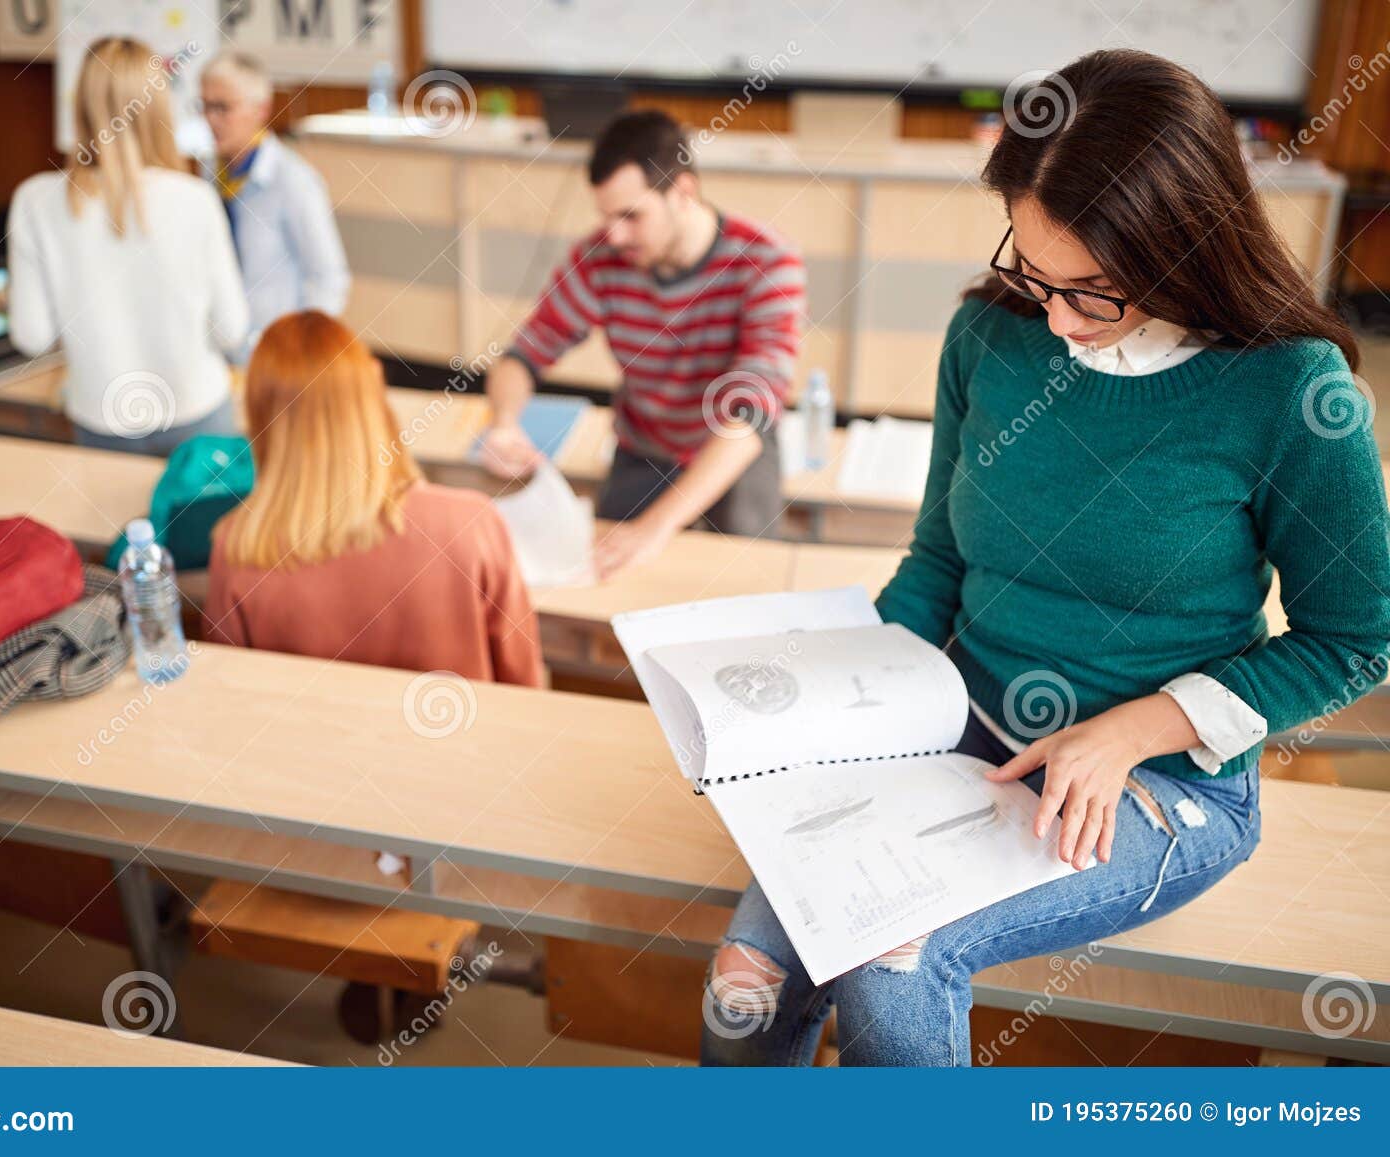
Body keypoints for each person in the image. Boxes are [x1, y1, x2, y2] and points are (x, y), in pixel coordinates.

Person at [700, 49, 1390, 1067]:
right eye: (1034, 270)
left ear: (1184, 247)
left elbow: (1356, 638)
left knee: (895, 963)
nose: (1057, 321)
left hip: (1166, 779)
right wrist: (834, 709)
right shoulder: (991, 330)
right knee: (743, 986)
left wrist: (1127, 731)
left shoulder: (1289, 388)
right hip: (951, 739)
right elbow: (937, 555)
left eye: (1094, 292)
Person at [479, 110, 805, 577]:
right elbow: (523, 355)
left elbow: (750, 414)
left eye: (632, 216)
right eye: (607, 217)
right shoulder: (601, 258)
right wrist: (505, 423)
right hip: (645, 443)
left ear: (683, 194)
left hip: (731, 448)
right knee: (603, 572)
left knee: (744, 583)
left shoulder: (768, 261)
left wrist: (657, 527)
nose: (615, 235)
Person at [205, 311, 544, 688]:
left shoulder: (237, 547)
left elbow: (230, 693)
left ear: (259, 420)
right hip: (460, 744)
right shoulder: (472, 522)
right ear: (374, 400)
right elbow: (524, 680)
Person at [8, 37, 248, 455]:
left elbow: (31, 337)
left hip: (101, 420)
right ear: (159, 108)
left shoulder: (35, 200)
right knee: (210, 523)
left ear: (79, 106)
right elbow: (231, 330)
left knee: (116, 523)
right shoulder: (194, 197)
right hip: (199, 414)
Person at [200, 51, 352, 344]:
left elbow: (329, 279)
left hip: (279, 351)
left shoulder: (292, 180)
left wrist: (300, 348)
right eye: (205, 106)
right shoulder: (210, 173)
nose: (210, 119)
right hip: (226, 347)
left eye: (222, 108)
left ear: (260, 110)